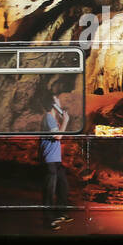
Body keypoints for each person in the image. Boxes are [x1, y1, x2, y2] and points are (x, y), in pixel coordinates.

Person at [40, 94, 73, 228]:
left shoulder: (52, 118)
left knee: (63, 187)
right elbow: (58, 136)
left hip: (55, 161)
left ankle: (61, 213)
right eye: (57, 100)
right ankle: (48, 220)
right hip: (49, 161)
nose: (60, 101)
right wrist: (65, 121)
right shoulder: (48, 118)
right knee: (49, 191)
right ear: (53, 105)